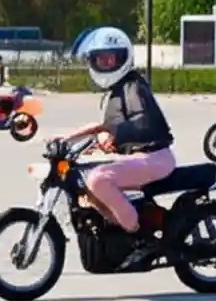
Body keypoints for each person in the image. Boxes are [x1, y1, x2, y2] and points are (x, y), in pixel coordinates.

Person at [56, 26, 176, 236]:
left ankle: (136, 232)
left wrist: (115, 135)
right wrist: (65, 139)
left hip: (155, 157)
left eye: (111, 59)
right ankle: (114, 227)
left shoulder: (133, 87)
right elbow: (102, 127)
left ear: (123, 58)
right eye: (101, 60)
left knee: (99, 179)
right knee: (85, 179)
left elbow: (142, 123)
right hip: (142, 156)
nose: (106, 64)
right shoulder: (116, 91)